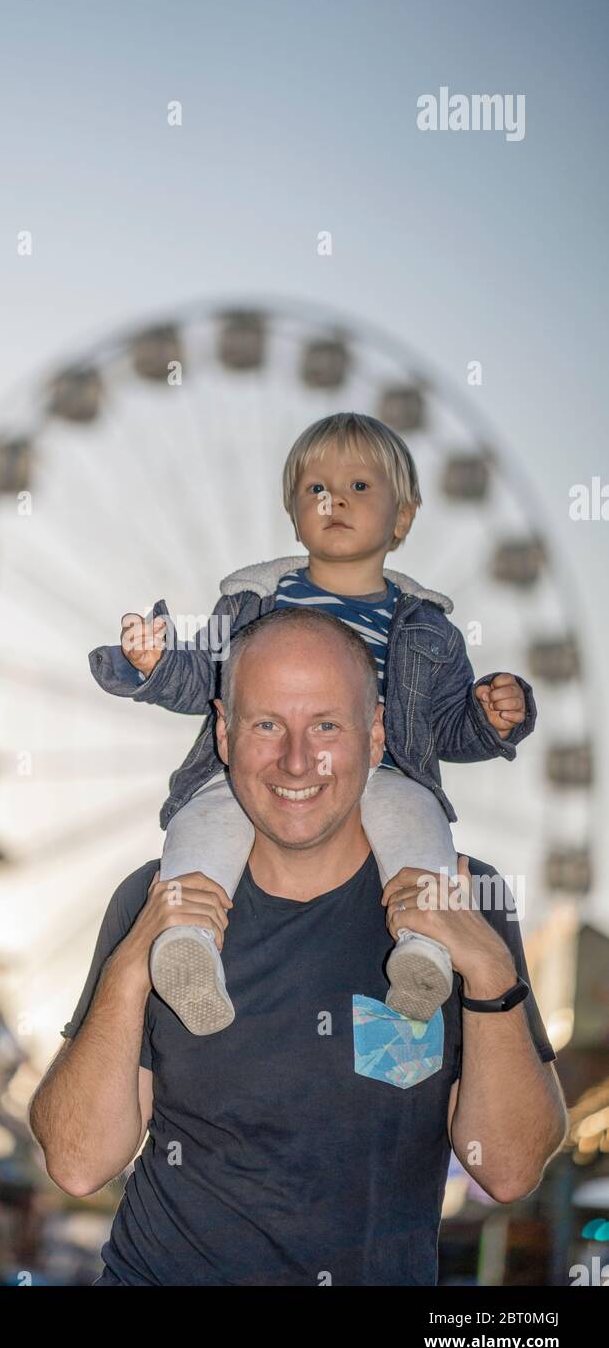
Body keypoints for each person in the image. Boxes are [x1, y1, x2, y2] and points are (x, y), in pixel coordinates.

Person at [29, 609, 567, 1286]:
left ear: (376, 734)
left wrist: (488, 968)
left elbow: (511, 1168)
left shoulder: (462, 896)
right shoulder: (157, 896)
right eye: (265, 725)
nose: (295, 760)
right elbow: (78, 1163)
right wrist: (131, 965)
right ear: (223, 733)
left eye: (326, 726)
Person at [96, 411, 536, 1028]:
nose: (335, 500)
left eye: (359, 486)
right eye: (316, 489)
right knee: (201, 822)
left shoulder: (429, 628)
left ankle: (426, 950)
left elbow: (443, 724)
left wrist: (491, 718)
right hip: (254, 766)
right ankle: (186, 946)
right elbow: (204, 679)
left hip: (387, 769)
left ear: (403, 516)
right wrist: (157, 661)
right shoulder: (250, 603)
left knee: (422, 825)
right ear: (293, 511)